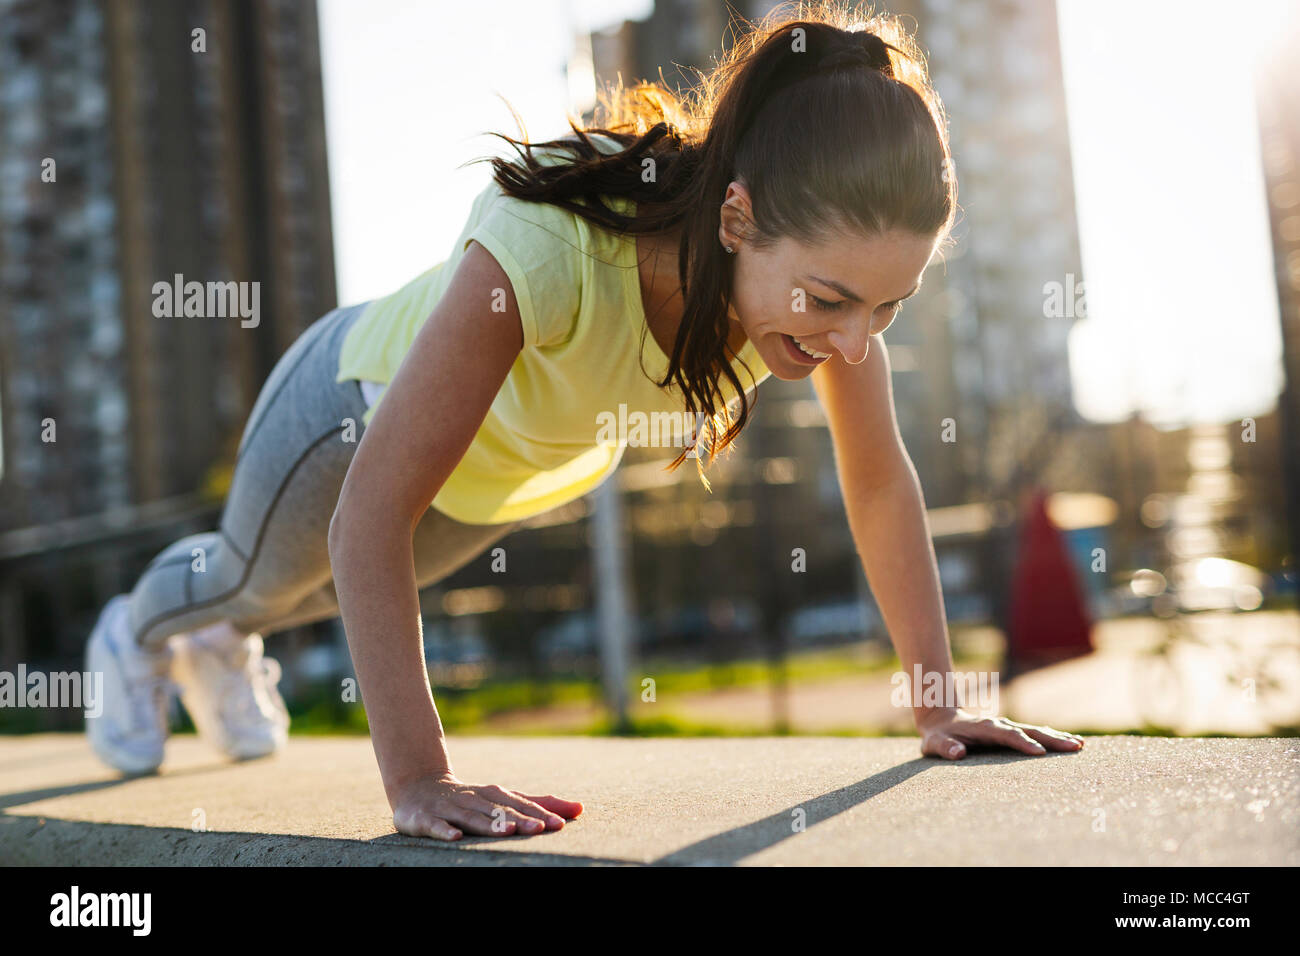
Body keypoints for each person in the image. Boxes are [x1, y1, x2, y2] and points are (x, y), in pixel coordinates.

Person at [85, 2, 1083, 841]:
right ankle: (137, 628)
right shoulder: (552, 249)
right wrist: (418, 777)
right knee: (249, 576)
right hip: (345, 416)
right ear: (735, 218)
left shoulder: (823, 305)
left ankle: (217, 642)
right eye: (829, 299)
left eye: (889, 305)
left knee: (301, 600)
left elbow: (875, 478)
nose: (855, 342)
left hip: (498, 481)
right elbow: (367, 516)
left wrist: (940, 697)